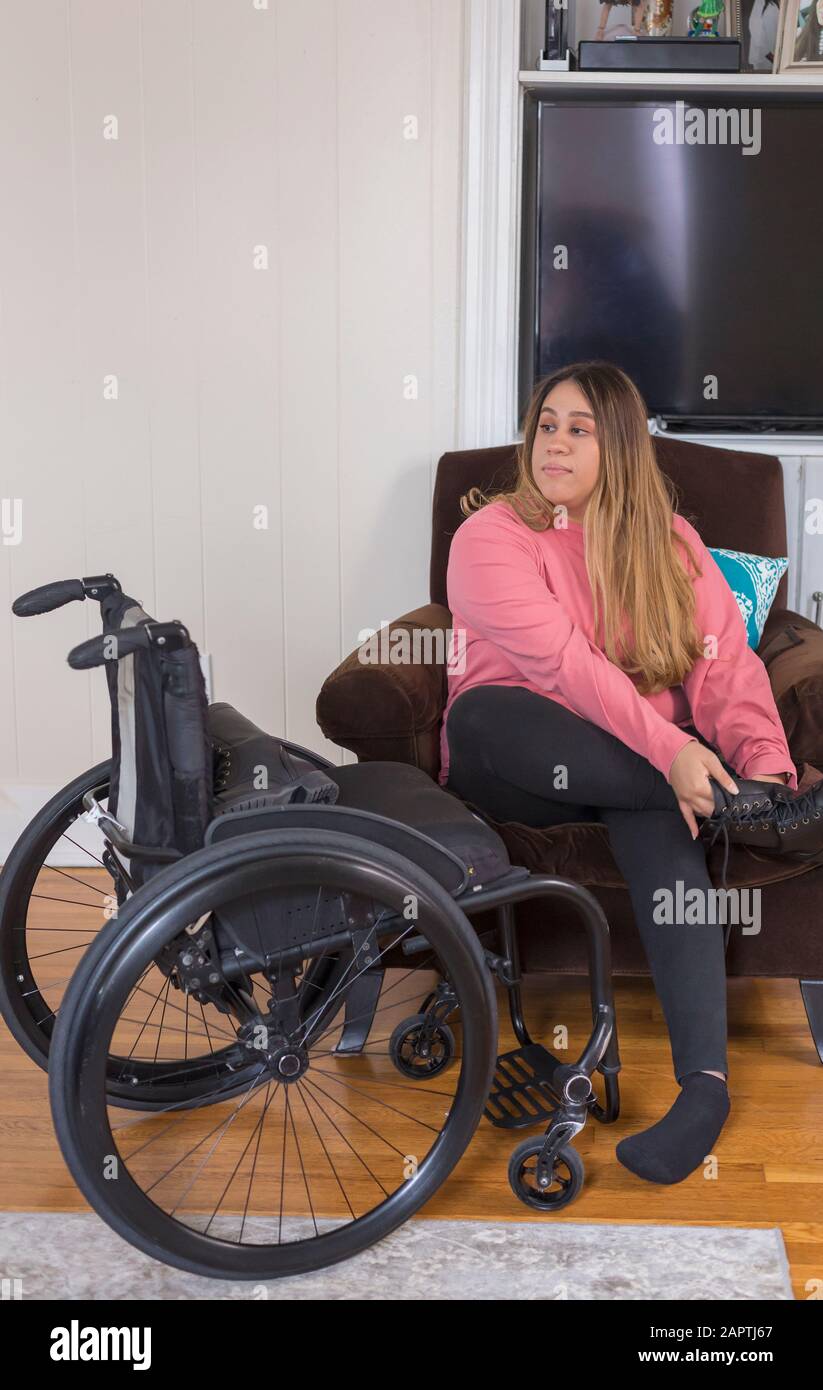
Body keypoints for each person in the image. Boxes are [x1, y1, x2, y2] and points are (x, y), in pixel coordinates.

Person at [439, 360, 801, 1187]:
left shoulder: (669, 545)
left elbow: (727, 673)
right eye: (546, 424)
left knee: (651, 798)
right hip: (518, 756)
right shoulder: (492, 535)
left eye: (579, 428)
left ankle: (702, 1088)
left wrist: (766, 768)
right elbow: (564, 669)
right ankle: (734, 809)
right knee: (496, 712)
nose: (553, 442)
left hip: (635, 772)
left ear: (623, 447)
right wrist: (673, 755)